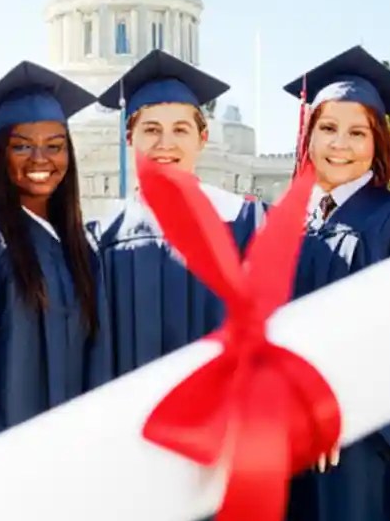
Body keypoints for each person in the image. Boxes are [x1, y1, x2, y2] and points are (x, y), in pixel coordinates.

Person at [280, 45, 390, 521]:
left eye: (356, 132)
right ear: (308, 137)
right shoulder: (284, 227)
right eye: (327, 129)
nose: (340, 144)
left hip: (356, 445)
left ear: (378, 142)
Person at [0, 61, 111, 458]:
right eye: (21, 145)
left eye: (55, 144)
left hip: (75, 462)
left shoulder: (81, 246)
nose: (40, 159)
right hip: (6, 470)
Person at [90, 50, 266, 375]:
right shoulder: (103, 238)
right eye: (151, 129)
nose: (165, 143)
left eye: (181, 130)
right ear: (130, 138)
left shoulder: (243, 222)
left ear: (202, 138)